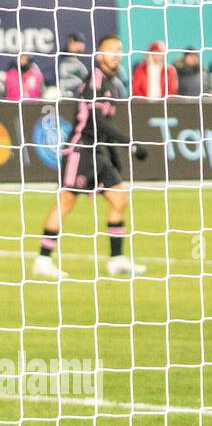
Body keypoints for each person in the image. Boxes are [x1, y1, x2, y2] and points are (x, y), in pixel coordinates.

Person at [32, 36, 147, 280]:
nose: (116, 54)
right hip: (79, 151)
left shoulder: (113, 84)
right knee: (66, 202)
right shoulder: (95, 80)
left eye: (119, 50)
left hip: (96, 151)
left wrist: (115, 158)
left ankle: (116, 260)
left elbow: (105, 126)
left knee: (119, 198)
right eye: (111, 50)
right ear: (99, 55)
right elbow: (96, 120)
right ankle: (42, 260)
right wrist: (130, 144)